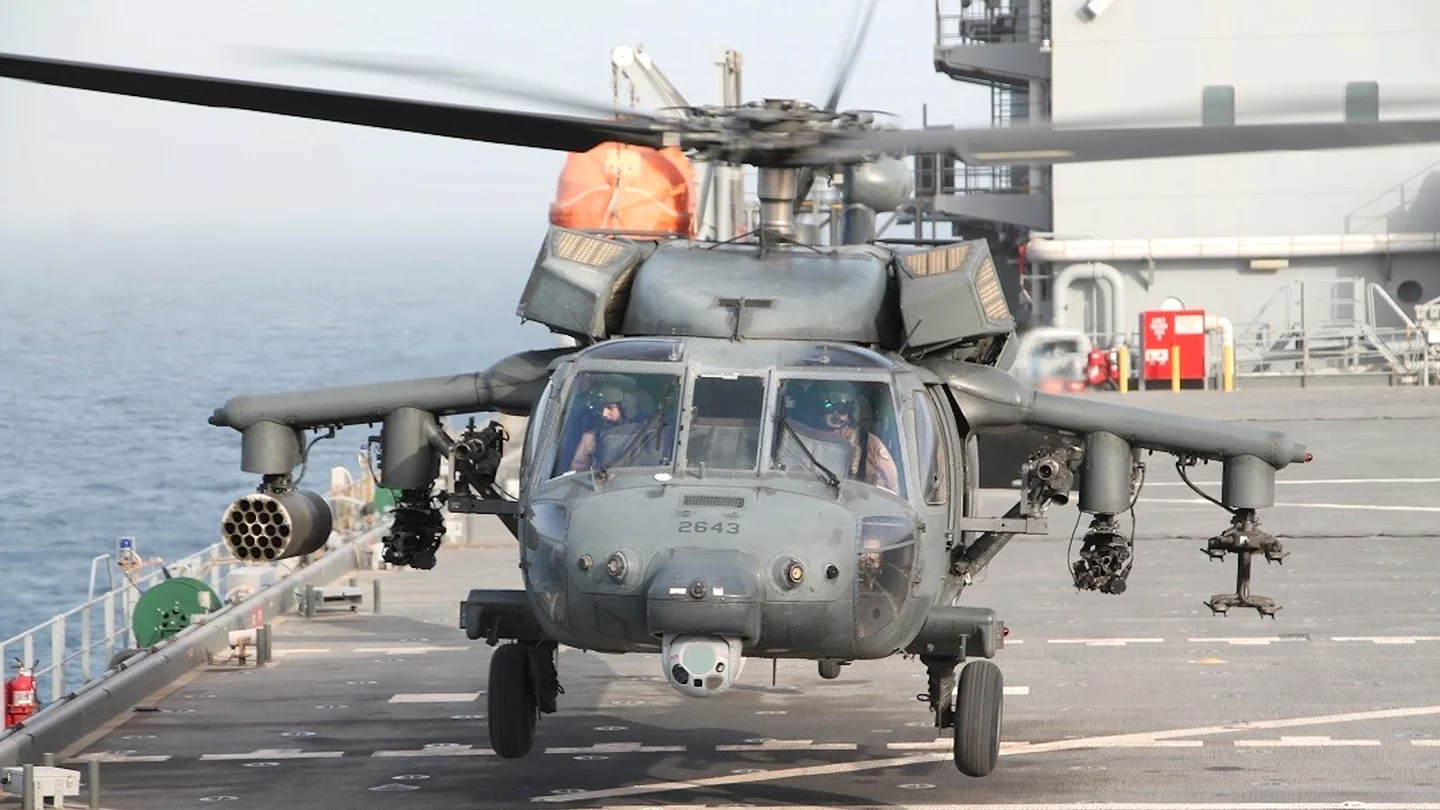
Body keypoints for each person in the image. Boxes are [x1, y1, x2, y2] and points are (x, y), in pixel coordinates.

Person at [813, 382, 899, 493]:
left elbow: (895, 485)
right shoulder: (815, 438)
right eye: (828, 408)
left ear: (851, 412)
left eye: (843, 409)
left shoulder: (869, 442)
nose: (836, 415)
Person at [568, 385, 630, 472]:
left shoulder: (645, 433)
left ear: (625, 408)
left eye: (610, 408)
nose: (604, 413)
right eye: (602, 408)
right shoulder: (591, 437)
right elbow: (578, 467)